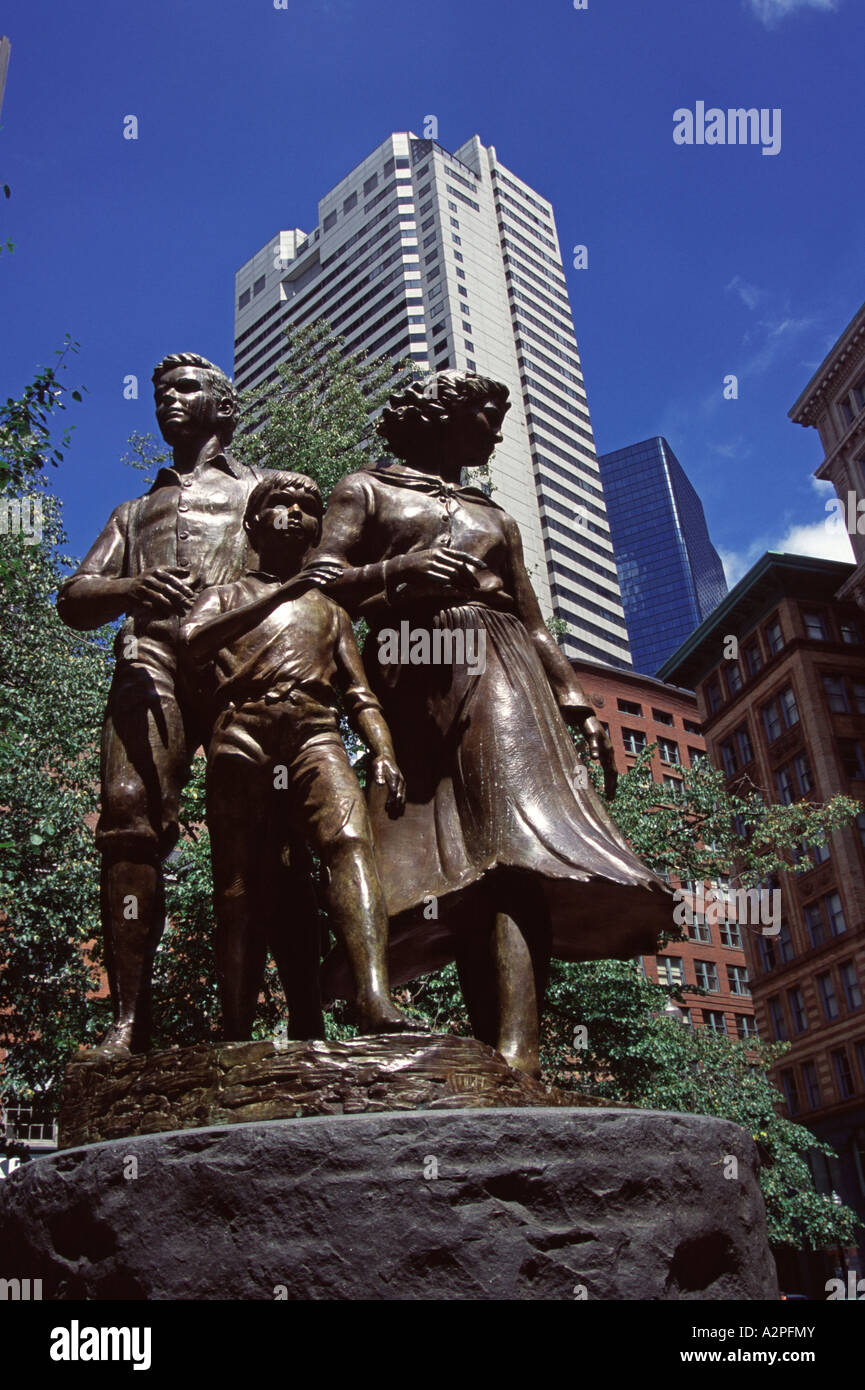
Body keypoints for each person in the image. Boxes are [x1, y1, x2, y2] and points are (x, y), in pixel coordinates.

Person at [311, 370, 672, 1076]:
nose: (495, 433)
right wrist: (400, 571)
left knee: (513, 847)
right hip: (409, 667)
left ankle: (517, 1054)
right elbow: (320, 578)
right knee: (461, 862)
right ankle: (489, 1048)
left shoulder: (494, 516)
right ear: (436, 416)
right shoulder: (367, 489)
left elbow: (533, 625)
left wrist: (573, 699)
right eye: (483, 416)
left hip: (498, 660)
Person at [56, 353, 263, 1054]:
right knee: (126, 818)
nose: (166, 401)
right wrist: (130, 591)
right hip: (152, 667)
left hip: (244, 668)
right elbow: (74, 598)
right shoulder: (134, 509)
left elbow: (307, 577)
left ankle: (247, 1023)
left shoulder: (262, 491)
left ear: (223, 406)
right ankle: (130, 1018)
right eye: (158, 392)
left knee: (256, 834)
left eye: (184, 388)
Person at [180, 471, 416, 1039]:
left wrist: (383, 750)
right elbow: (190, 641)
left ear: (316, 529)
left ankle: (374, 1001)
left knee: (351, 844)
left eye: (305, 507)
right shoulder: (223, 594)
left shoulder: (331, 613)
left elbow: (361, 695)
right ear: (251, 523)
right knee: (240, 880)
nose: (292, 513)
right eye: (278, 503)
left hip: (316, 733)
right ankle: (234, 1023)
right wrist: (286, 592)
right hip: (242, 731)